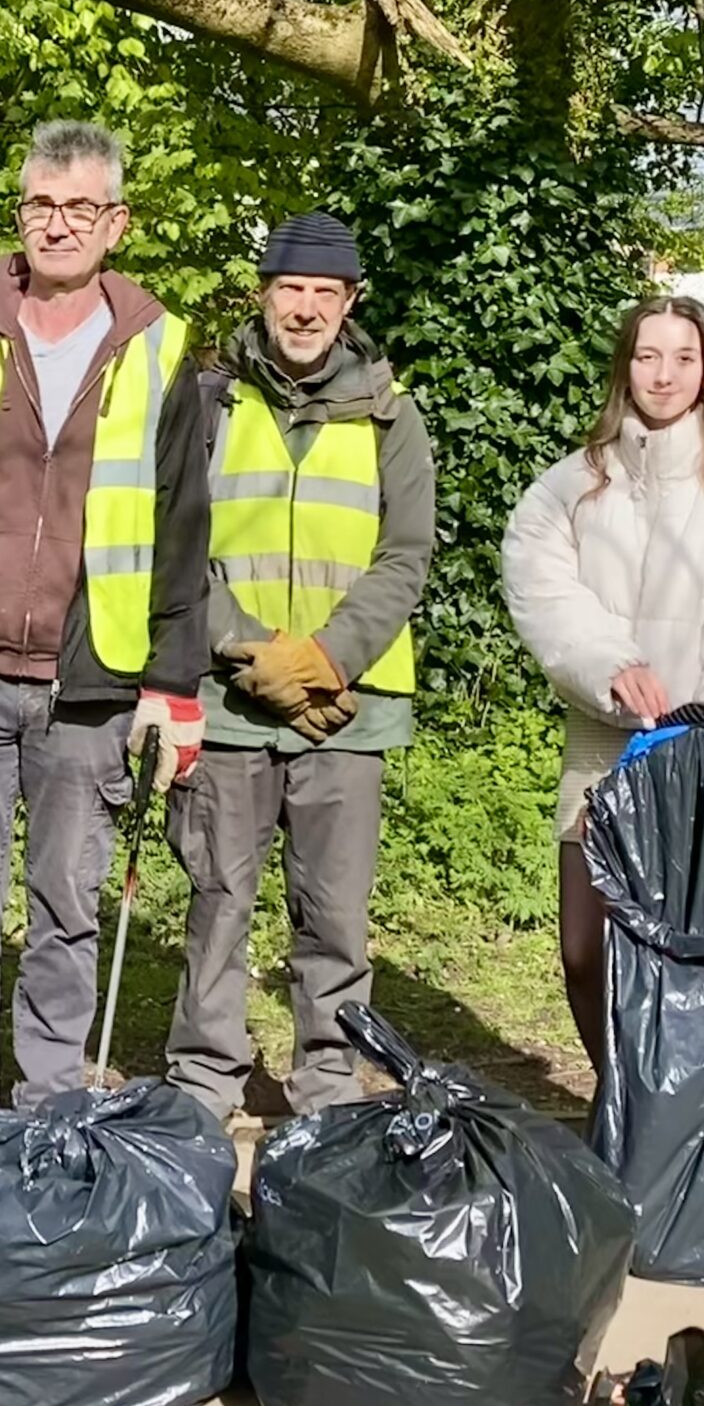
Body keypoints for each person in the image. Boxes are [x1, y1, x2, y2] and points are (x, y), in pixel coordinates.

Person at [0, 119, 211, 1122]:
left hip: (92, 682)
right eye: (38, 204)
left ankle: (52, 1117)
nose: (56, 224)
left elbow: (182, 524)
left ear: (117, 222)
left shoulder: (159, 348)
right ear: (19, 214)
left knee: (67, 912)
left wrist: (172, 683)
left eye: (77, 207)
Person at [161, 215, 437, 1119]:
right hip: (229, 699)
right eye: (291, 289)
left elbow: (405, 556)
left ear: (351, 302)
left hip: (346, 709)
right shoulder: (206, 403)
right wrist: (253, 657)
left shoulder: (395, 415)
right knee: (217, 901)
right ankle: (205, 1081)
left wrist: (320, 660)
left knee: (335, 914)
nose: (307, 308)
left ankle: (327, 1082)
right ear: (264, 294)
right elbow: (177, 548)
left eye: (326, 292)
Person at [503, 293, 704, 1071]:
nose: (662, 375)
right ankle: (624, 1100)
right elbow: (544, 592)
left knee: (687, 957)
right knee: (585, 950)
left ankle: (679, 1122)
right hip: (604, 754)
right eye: (647, 356)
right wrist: (611, 665)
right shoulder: (571, 486)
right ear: (624, 365)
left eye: (682, 357)